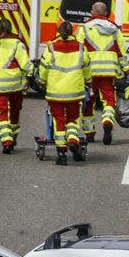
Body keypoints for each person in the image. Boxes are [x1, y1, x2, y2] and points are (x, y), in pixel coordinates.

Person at [37, 21, 92, 166]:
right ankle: (73, 141)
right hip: (74, 91)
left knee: (59, 121)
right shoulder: (80, 47)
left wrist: (41, 81)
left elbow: (44, 67)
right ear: (72, 31)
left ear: (58, 31)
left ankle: (61, 155)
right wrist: (89, 80)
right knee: (73, 119)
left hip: (56, 92)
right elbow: (86, 66)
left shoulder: (51, 47)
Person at [76, 1, 129, 145]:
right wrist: (126, 70)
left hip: (90, 72)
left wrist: (77, 69)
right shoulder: (115, 29)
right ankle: (107, 122)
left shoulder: (84, 29)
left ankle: (90, 134)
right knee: (109, 101)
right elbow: (122, 52)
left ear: (92, 13)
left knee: (89, 102)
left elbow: (78, 51)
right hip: (109, 71)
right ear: (106, 13)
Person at [0, 19, 32, 154]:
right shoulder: (17, 44)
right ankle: (13, 135)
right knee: (15, 110)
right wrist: (33, 75)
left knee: (2, 112)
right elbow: (26, 65)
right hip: (15, 84)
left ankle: (6, 141)